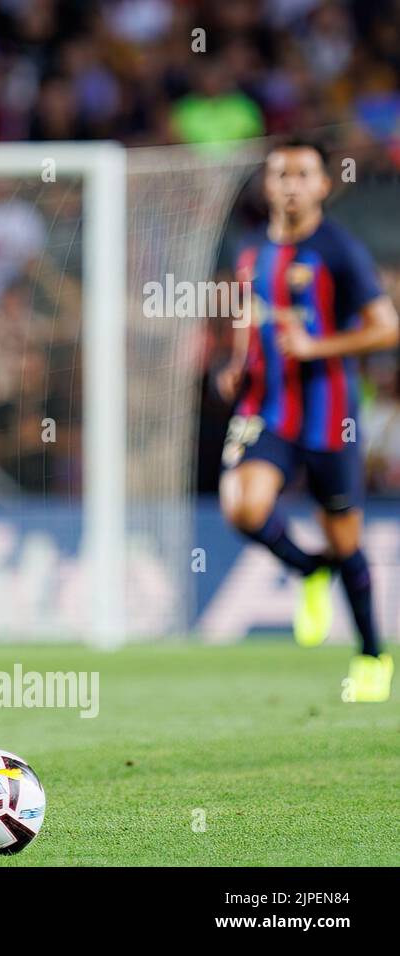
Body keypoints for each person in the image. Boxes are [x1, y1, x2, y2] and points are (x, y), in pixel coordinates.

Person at [217, 138, 398, 702]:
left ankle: (372, 656)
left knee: (345, 538)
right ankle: (306, 569)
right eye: (281, 174)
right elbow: (250, 313)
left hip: (329, 415)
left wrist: (317, 346)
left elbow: (387, 327)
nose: (291, 184)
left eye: (302, 174)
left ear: (323, 185)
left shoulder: (339, 250)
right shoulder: (250, 250)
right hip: (265, 408)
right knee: (243, 507)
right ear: (267, 186)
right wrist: (234, 359)